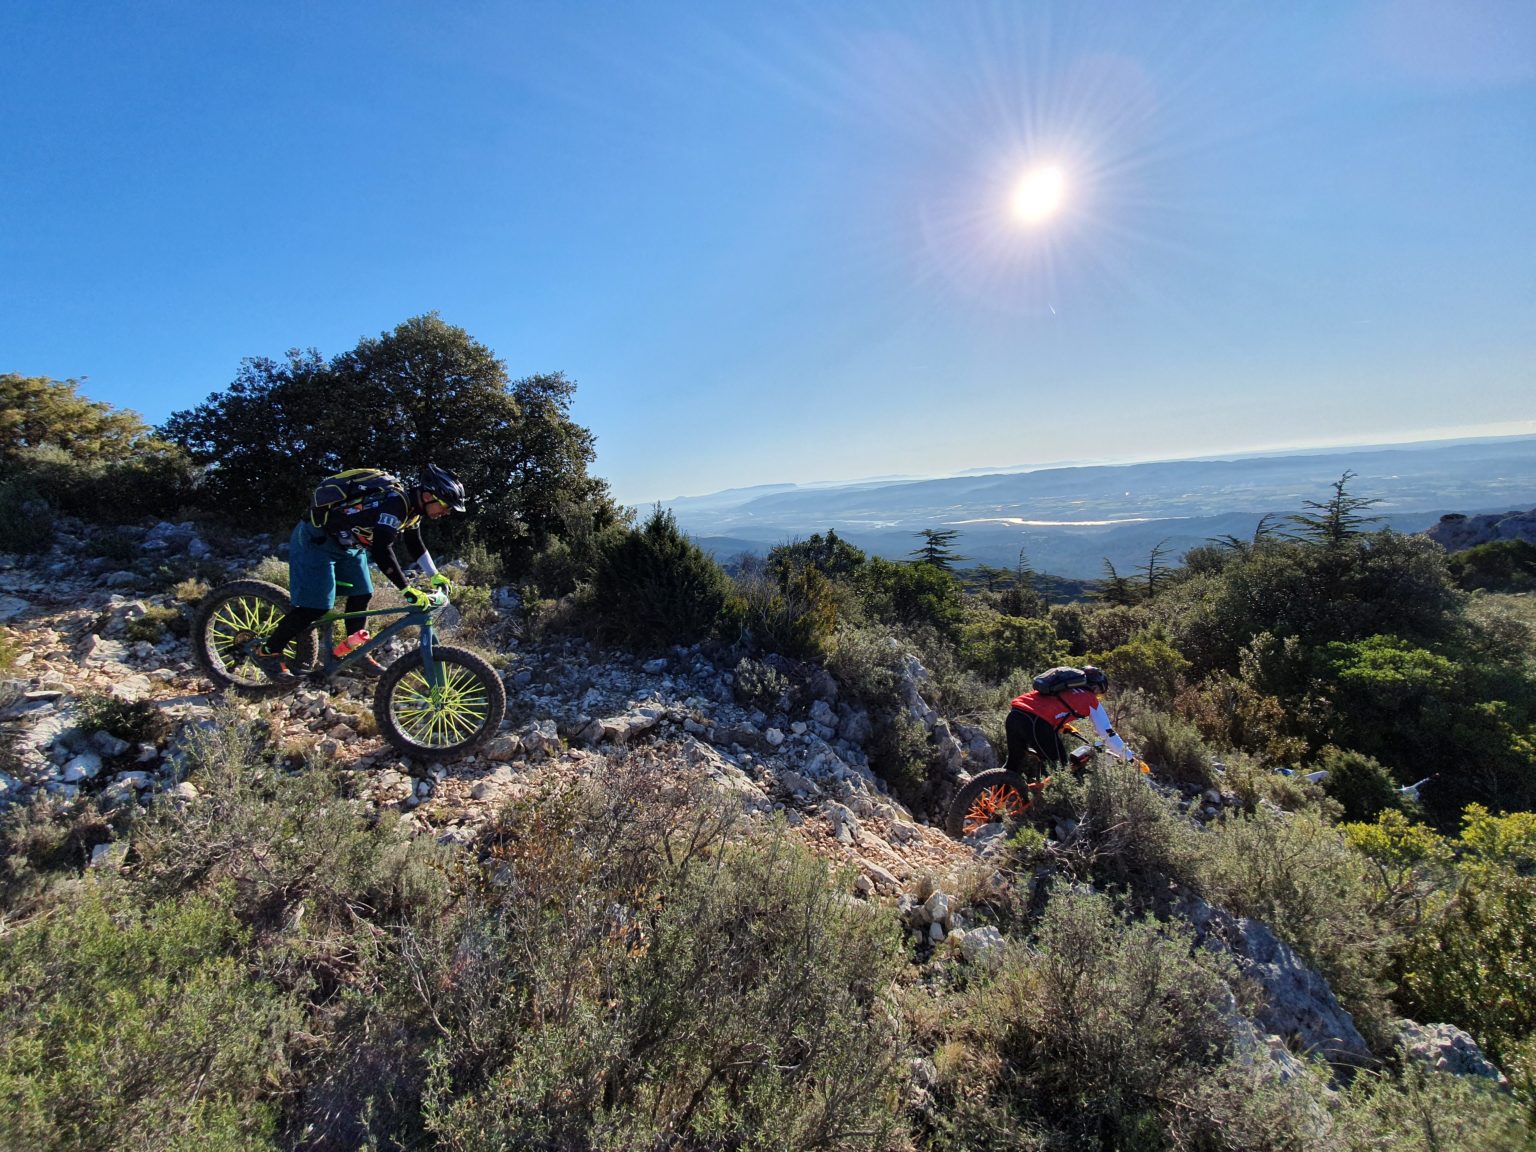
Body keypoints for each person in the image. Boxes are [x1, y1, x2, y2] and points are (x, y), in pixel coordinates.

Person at [251, 463, 467, 682]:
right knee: (315, 606)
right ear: (429, 496)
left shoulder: (414, 511)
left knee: (362, 594)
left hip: (349, 546)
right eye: (445, 506)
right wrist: (407, 589)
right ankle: (268, 652)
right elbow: (382, 549)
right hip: (317, 540)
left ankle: (355, 652)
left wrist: (434, 575)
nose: (447, 513)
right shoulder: (395, 503)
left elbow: (414, 543)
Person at [1003, 665, 1137, 786]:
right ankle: (1049, 804)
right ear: (1095, 687)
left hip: (1015, 715)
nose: (1097, 697)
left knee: (1014, 762)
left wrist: (1061, 725)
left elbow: (1049, 707)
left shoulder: (1061, 688)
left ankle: (995, 800)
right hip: (1036, 723)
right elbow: (1108, 733)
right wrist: (1129, 758)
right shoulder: (1090, 698)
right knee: (1062, 769)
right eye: (1099, 693)